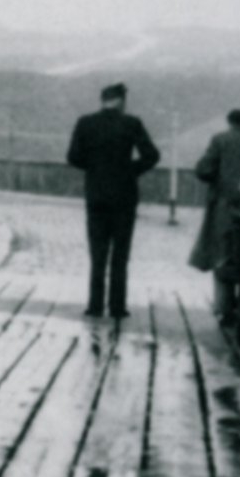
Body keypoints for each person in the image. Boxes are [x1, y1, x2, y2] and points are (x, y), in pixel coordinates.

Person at [66, 83, 161, 318]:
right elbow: (152, 155)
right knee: (120, 254)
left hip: (96, 194)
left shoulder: (85, 122)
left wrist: (95, 168)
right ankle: (117, 307)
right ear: (121, 101)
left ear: (103, 100)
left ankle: (95, 306)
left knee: (97, 253)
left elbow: (73, 157)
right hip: (124, 196)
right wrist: (130, 170)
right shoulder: (132, 123)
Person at [190, 108, 240, 322]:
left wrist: (219, 178)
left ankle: (225, 308)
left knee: (224, 255)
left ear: (230, 122)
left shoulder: (221, 139)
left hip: (226, 205)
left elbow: (203, 169)